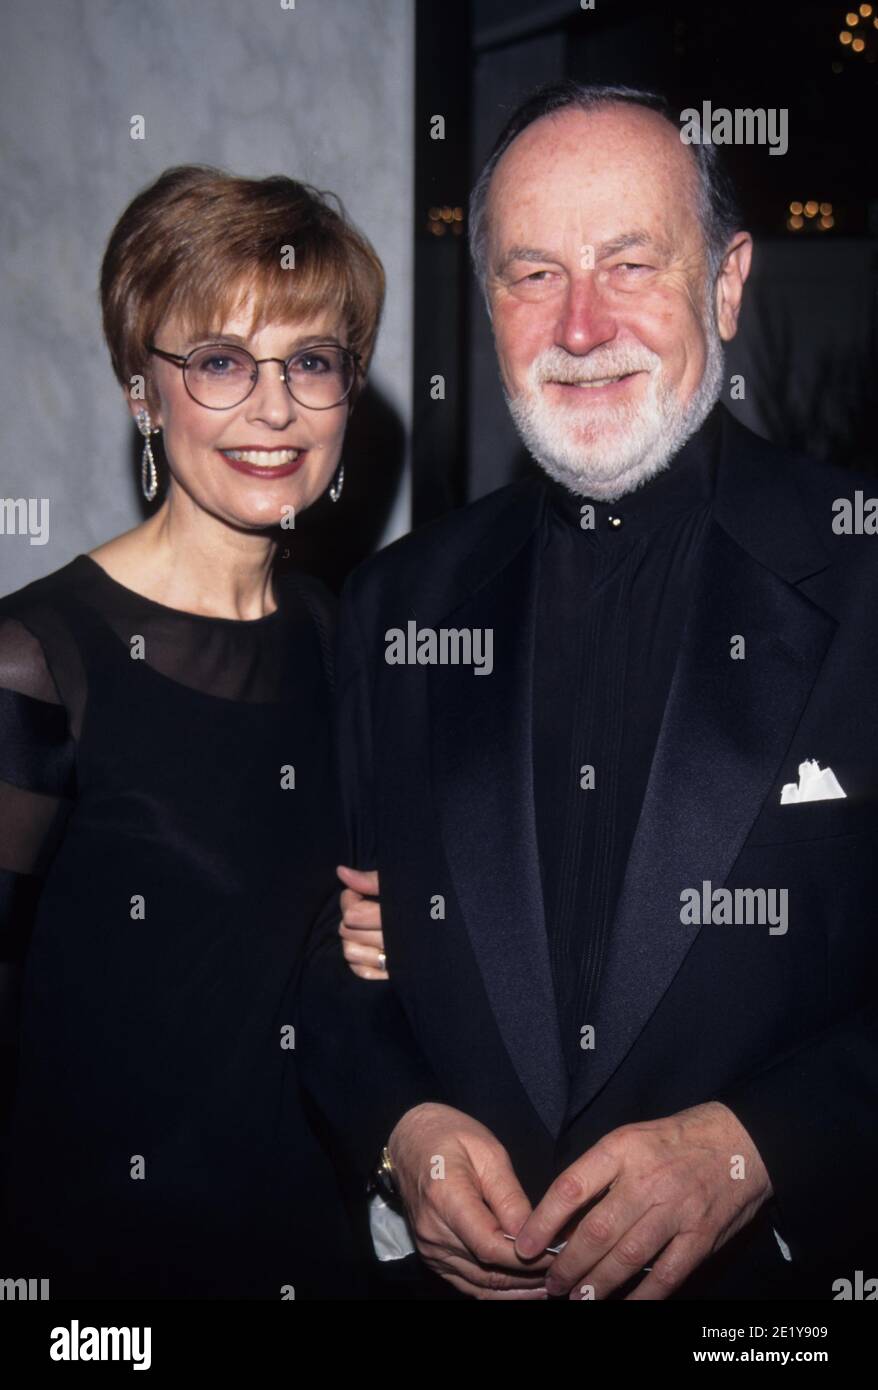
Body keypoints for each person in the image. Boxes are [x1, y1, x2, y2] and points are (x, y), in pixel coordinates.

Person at [298, 81, 878, 1300]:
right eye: (530, 274)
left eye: (628, 263)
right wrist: (398, 1132)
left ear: (723, 284)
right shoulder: (396, 604)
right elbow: (331, 968)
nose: (578, 325)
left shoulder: (861, 569)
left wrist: (755, 1145)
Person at [0, 164, 387, 1299]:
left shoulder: (343, 637)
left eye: (310, 362)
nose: (273, 410)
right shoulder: (34, 664)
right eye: (219, 361)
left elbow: (325, 933)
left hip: (315, 1255)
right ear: (142, 391)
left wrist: (395, 937)